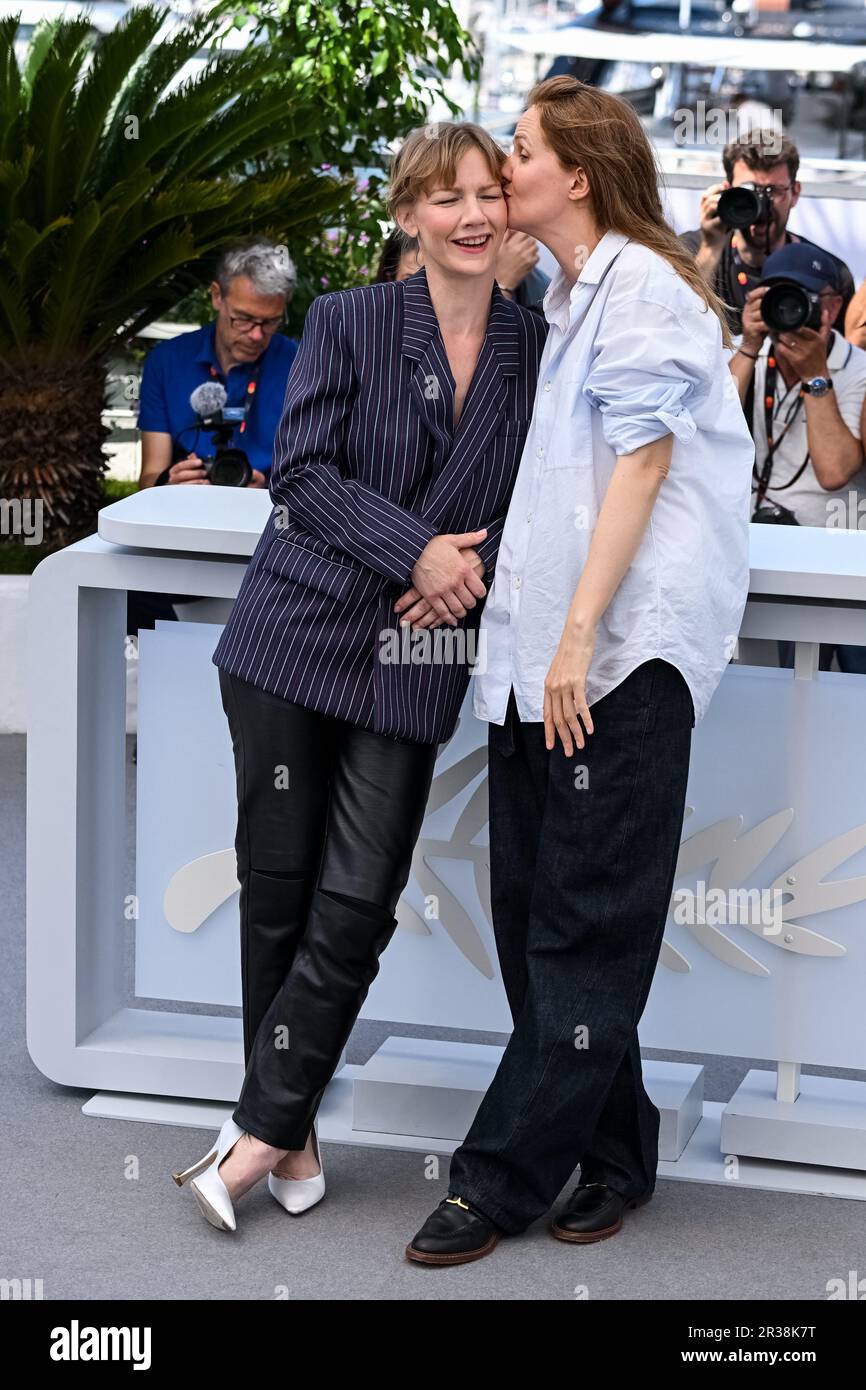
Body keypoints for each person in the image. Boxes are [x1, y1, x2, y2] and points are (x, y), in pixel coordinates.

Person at [170, 123, 547, 1231]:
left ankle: (248, 1136)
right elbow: (301, 474)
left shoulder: (535, 344)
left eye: (488, 193)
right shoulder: (346, 320)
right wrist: (417, 552)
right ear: (406, 217)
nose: (472, 214)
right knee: (280, 894)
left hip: (419, 649)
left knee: (358, 898)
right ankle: (288, 1130)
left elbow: (535, 495)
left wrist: (455, 574)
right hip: (296, 635)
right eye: (446, 199)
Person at [405, 75, 754, 1266]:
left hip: (613, 662)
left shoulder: (646, 292)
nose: (502, 171)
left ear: (580, 174)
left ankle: (495, 1182)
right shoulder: (563, 292)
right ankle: (613, 1154)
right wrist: (495, 264)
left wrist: (572, 642)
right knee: (531, 926)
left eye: (518, 152)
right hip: (543, 662)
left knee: (581, 933)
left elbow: (642, 470)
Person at [128, 240, 299, 638]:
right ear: (216, 297)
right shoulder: (167, 361)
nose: (257, 336)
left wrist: (270, 490)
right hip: (183, 535)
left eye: (270, 322)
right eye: (243, 319)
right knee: (135, 591)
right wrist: (168, 485)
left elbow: (325, 473)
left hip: (271, 536)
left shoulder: (301, 362)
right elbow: (148, 477)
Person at [730, 242, 866, 671]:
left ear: (834, 304)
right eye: (778, 295)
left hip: (824, 561)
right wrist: (749, 347)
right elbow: (703, 437)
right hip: (745, 548)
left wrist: (816, 377)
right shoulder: (742, 353)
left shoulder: (859, 369)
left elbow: (834, 472)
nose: (791, 310)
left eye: (804, 298)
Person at [680, 130, 855, 338]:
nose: (761, 205)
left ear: (795, 193)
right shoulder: (689, 251)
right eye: (748, 192)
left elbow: (844, 357)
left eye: (773, 191)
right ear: (727, 192)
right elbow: (678, 325)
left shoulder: (826, 273)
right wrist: (710, 248)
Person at [375, 224, 550, 315]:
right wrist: (502, 285)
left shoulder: (542, 295)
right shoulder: (367, 328)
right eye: (411, 279)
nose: (427, 292)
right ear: (389, 278)